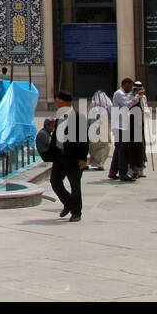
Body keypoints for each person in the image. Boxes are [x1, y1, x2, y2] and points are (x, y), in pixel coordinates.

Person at [49, 91, 89, 222]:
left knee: (75, 185)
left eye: (59, 102)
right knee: (55, 181)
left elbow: (84, 139)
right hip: (60, 156)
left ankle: (76, 212)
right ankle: (68, 202)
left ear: (66, 102)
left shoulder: (79, 117)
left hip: (74, 157)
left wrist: (83, 158)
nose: (57, 104)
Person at [109, 78, 142, 181]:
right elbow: (127, 105)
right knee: (123, 150)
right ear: (125, 85)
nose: (131, 88)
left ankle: (113, 171)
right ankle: (123, 174)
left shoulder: (123, 94)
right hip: (120, 126)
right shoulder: (119, 93)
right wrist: (137, 96)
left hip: (121, 125)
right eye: (130, 86)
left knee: (118, 149)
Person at [86, 89, 113, 170]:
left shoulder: (93, 104)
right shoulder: (108, 105)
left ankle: (96, 162)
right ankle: (101, 162)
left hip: (94, 129)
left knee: (94, 145)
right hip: (105, 128)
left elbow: (89, 116)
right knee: (105, 145)